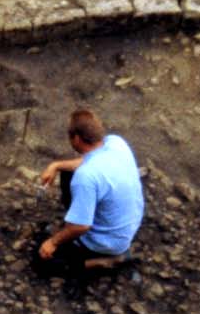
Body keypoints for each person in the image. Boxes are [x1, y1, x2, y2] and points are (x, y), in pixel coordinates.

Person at [34, 108, 145, 276]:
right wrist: (55, 166)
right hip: (127, 227)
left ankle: (103, 262)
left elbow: (81, 227)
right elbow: (87, 160)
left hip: (106, 242)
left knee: (42, 259)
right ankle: (78, 221)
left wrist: (53, 242)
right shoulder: (116, 143)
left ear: (77, 138)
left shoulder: (86, 176)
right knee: (68, 172)